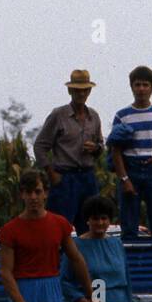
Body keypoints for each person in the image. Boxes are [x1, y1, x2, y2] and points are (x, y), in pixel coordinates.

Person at [0, 169, 98, 302]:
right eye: (28, 192)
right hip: (25, 288)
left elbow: (77, 259)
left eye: (37, 191)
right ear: (22, 194)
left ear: (46, 193)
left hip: (52, 286)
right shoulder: (10, 230)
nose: (33, 197)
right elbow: (5, 272)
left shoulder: (59, 223)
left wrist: (92, 296)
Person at [33, 70, 104, 234]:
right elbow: (40, 146)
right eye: (77, 90)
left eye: (85, 90)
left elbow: (100, 146)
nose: (81, 93)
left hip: (87, 177)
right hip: (65, 178)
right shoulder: (59, 115)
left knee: (91, 228)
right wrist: (51, 173)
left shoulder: (94, 116)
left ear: (89, 91)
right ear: (70, 91)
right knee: (58, 228)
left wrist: (96, 148)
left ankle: (86, 260)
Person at [107, 65, 152, 238]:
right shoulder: (122, 115)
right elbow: (116, 151)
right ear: (131, 87)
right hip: (130, 169)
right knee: (129, 223)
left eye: (145, 85)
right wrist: (124, 179)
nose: (141, 89)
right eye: (137, 85)